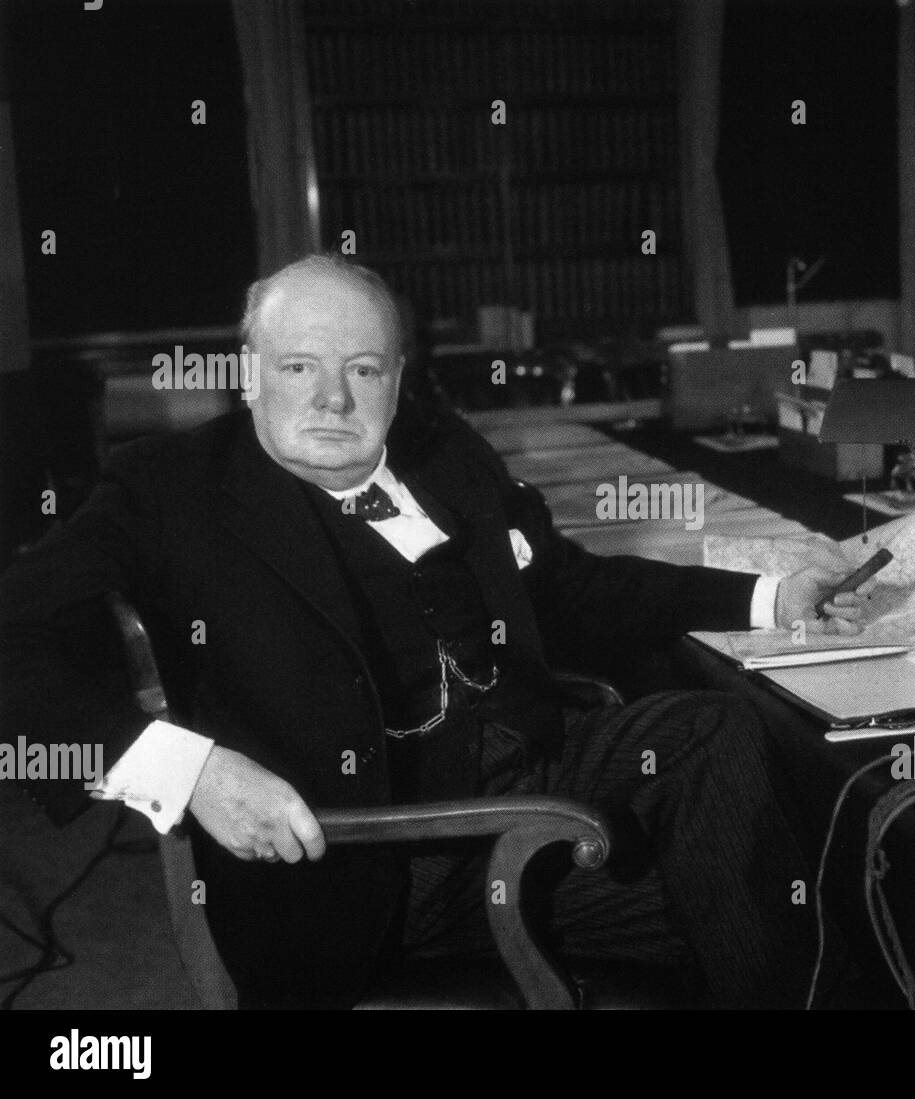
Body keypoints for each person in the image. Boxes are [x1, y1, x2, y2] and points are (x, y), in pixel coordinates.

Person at [0, 254, 870, 1008]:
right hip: (362, 861)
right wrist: (187, 770)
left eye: (365, 370)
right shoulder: (170, 487)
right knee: (766, 892)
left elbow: (569, 589)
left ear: (400, 374)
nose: (334, 398)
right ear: (250, 368)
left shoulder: (441, 450)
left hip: (526, 782)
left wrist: (768, 596)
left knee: (749, 776)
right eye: (300, 366)